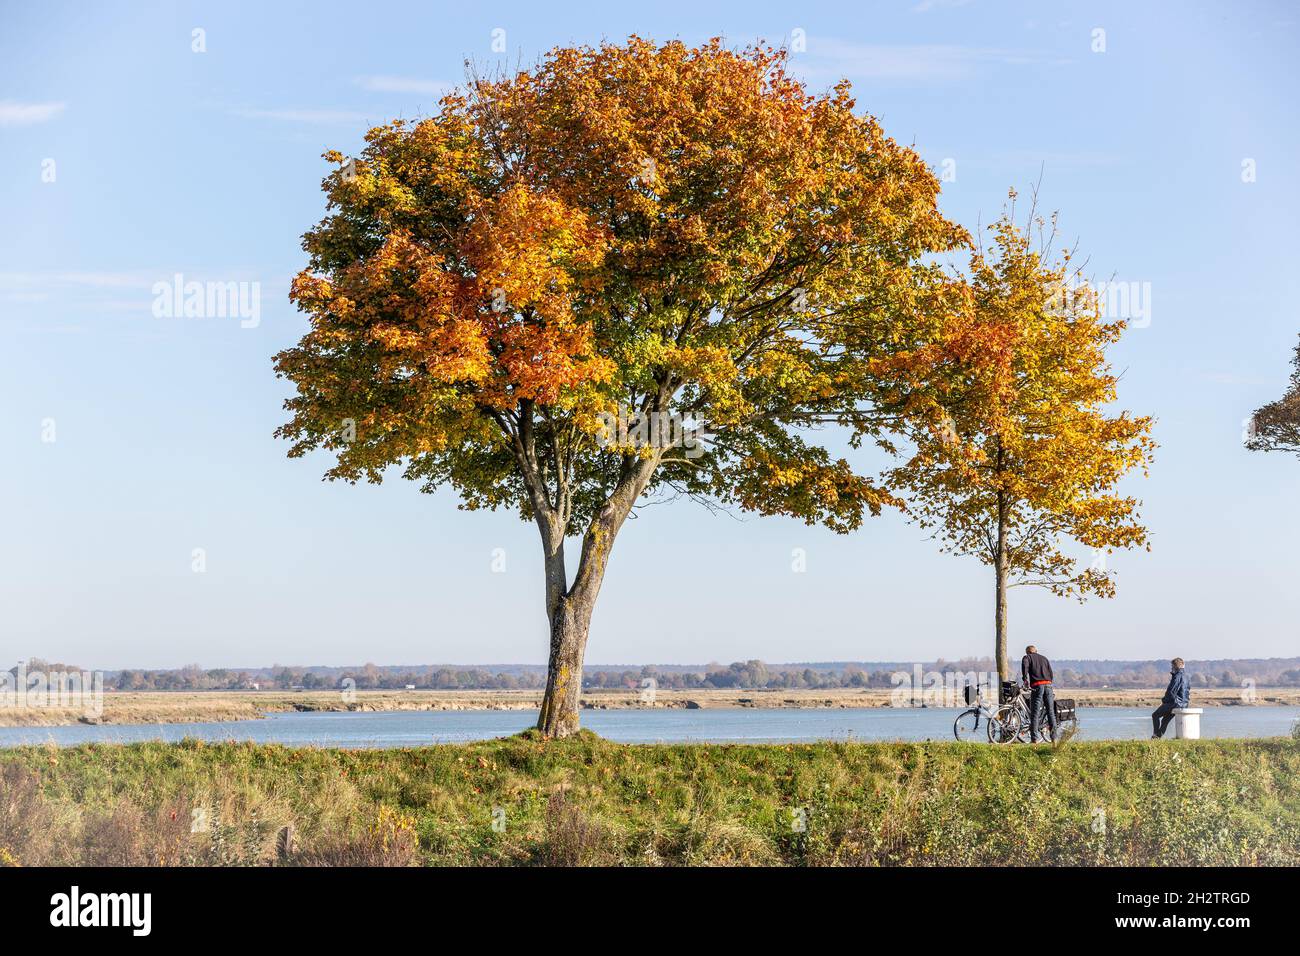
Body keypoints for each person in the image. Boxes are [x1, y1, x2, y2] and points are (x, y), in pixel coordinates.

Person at [1021, 644, 1057, 743]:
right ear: (1036, 651)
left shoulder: (1027, 657)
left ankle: (1034, 740)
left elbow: (1025, 667)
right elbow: (1051, 673)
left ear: (1027, 652)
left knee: (1035, 713)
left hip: (1037, 686)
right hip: (1048, 685)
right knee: (1050, 712)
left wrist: (1025, 680)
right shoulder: (1044, 658)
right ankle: (1054, 739)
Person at [1151, 658, 1190, 739]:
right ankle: (1157, 737)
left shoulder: (1177, 676)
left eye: (1172, 666)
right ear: (1183, 665)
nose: (1171, 668)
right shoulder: (1186, 676)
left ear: (1174, 666)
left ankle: (1155, 735)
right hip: (1184, 703)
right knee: (1164, 720)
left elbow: (1172, 691)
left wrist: (1164, 700)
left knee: (1155, 715)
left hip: (1174, 703)